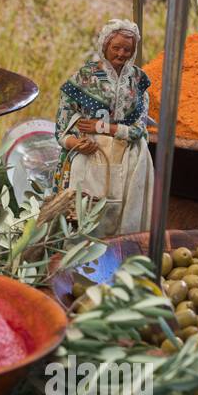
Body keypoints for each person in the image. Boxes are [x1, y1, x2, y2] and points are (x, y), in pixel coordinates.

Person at [54, 19, 154, 236]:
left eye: (127, 49)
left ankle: (123, 255)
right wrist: (74, 143)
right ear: (104, 46)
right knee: (84, 216)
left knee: (124, 219)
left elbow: (139, 129)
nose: (121, 54)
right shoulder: (85, 77)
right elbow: (62, 126)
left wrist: (103, 127)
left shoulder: (138, 81)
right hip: (90, 157)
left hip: (129, 159)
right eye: (115, 47)